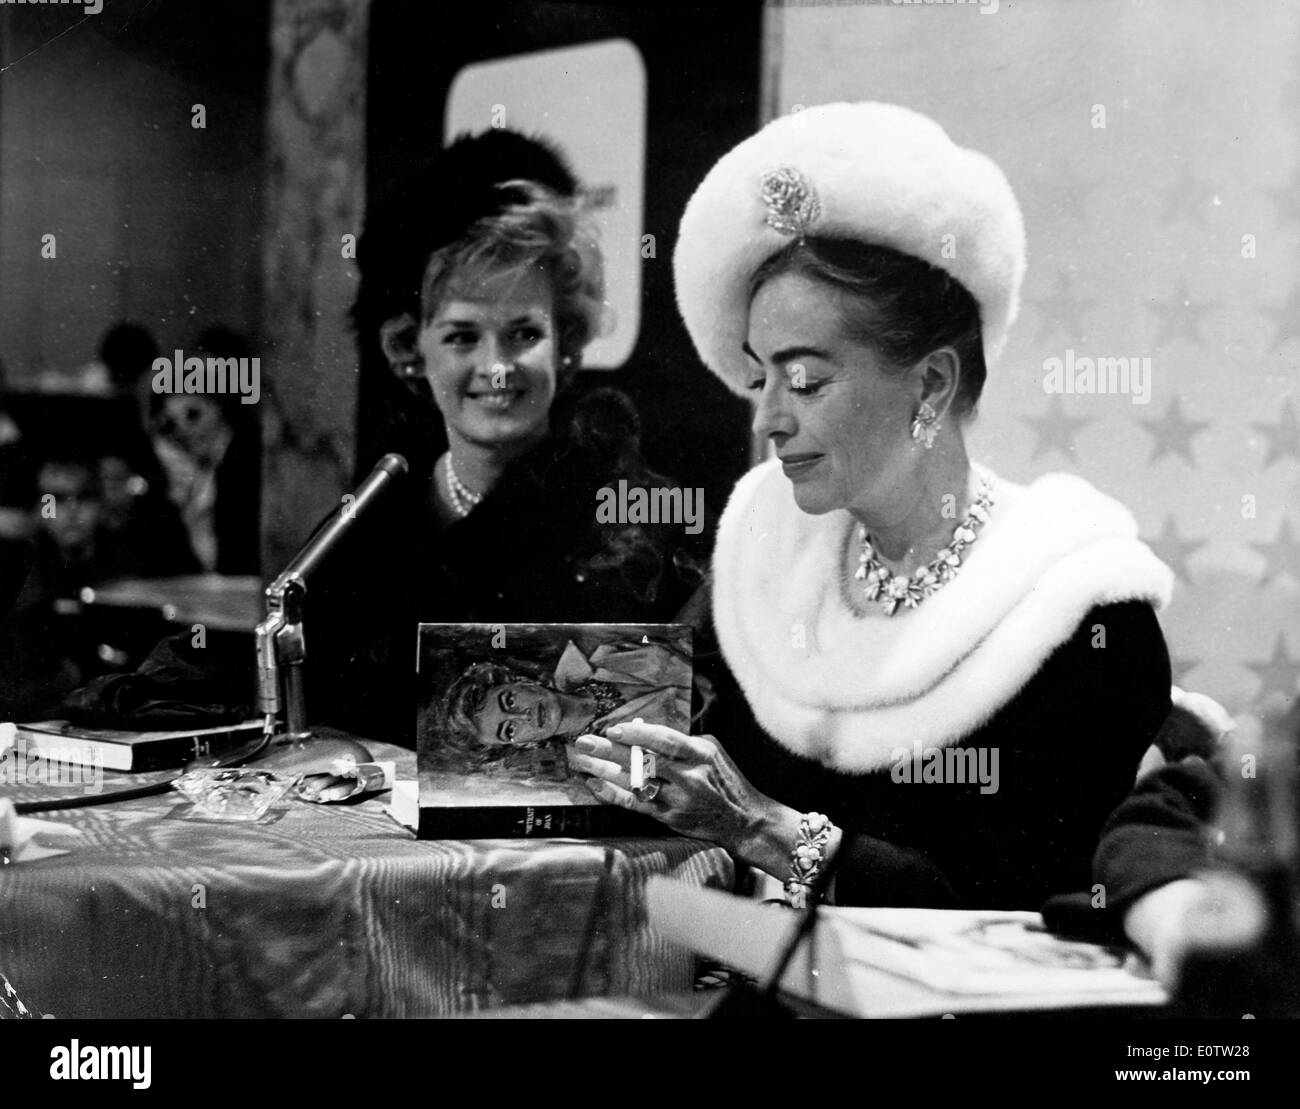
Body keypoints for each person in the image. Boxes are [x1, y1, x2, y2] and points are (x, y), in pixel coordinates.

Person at [568, 102, 1176, 911]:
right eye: (762, 379)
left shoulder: (1080, 615)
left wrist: (762, 828)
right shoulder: (768, 551)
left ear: (930, 386)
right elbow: (652, 724)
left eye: (807, 380)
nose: (768, 417)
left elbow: (1011, 903)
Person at [64, 129, 706, 742]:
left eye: (524, 333)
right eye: (461, 335)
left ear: (565, 346)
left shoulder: (627, 517)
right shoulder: (379, 509)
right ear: (410, 353)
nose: (496, 367)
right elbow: (298, 660)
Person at [436, 636, 693, 773]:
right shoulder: (597, 759)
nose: (523, 716)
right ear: (519, 745)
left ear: (519, 681)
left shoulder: (603, 654)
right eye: (509, 731)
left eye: (509, 700)